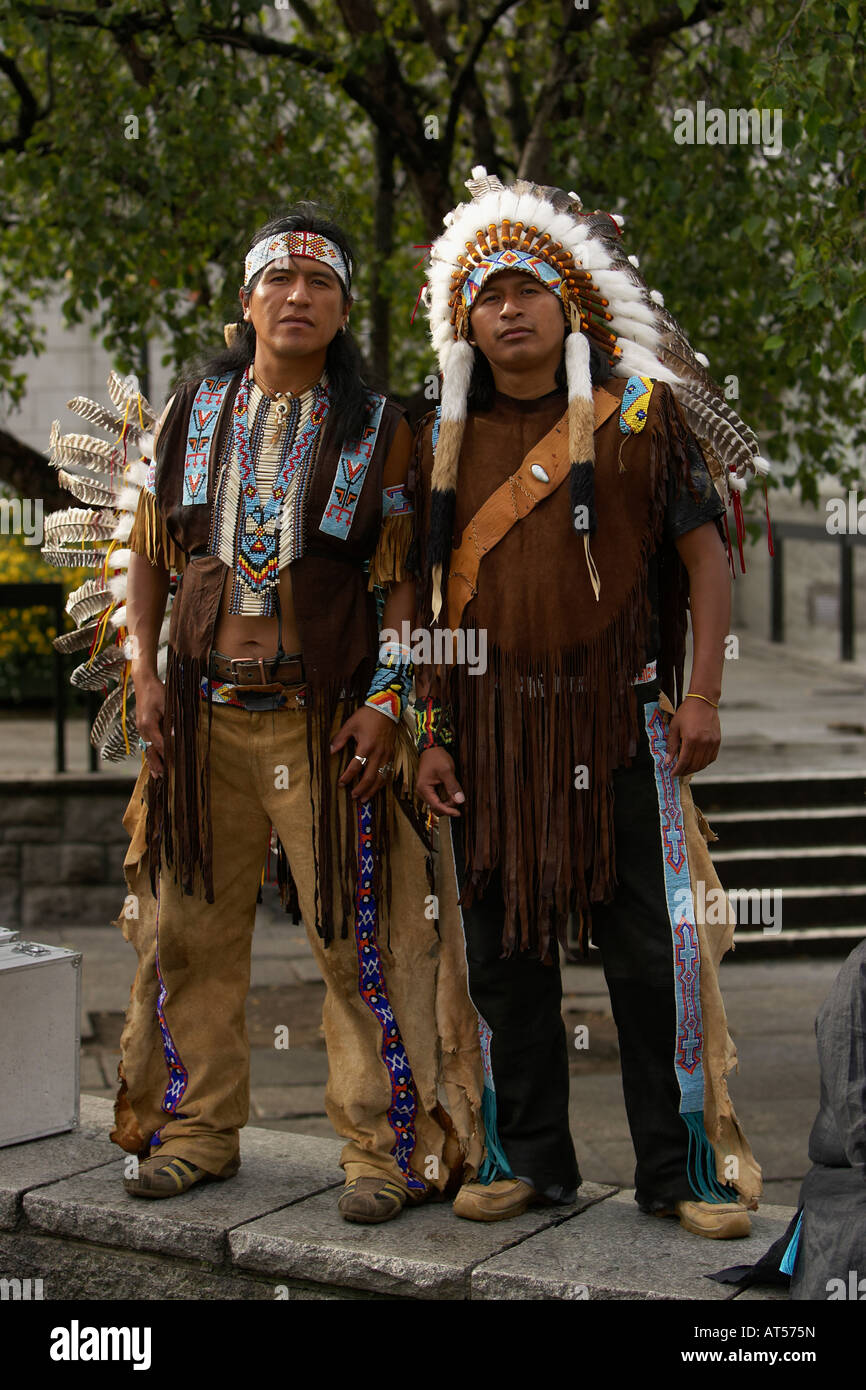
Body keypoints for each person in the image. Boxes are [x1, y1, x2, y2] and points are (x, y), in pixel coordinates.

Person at [107, 206, 483, 1220]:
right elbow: (151, 553)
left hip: (323, 726)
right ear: (247, 300)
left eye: (321, 284)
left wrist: (386, 702)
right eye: (279, 280)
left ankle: (374, 1148)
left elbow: (404, 585)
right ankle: (197, 1125)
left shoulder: (378, 427)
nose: (297, 297)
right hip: (199, 720)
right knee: (188, 928)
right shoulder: (193, 407)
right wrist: (144, 674)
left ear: (343, 308)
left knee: (355, 937)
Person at [410, 168, 763, 1236]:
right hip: (482, 727)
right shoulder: (433, 426)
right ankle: (528, 1159)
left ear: (568, 303)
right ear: (462, 315)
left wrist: (700, 693)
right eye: (486, 293)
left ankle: (680, 1170)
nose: (506, 308)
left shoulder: (642, 413)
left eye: (526, 289)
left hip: (617, 720)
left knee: (649, 956)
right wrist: (425, 723)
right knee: (502, 956)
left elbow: (704, 562)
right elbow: (410, 589)